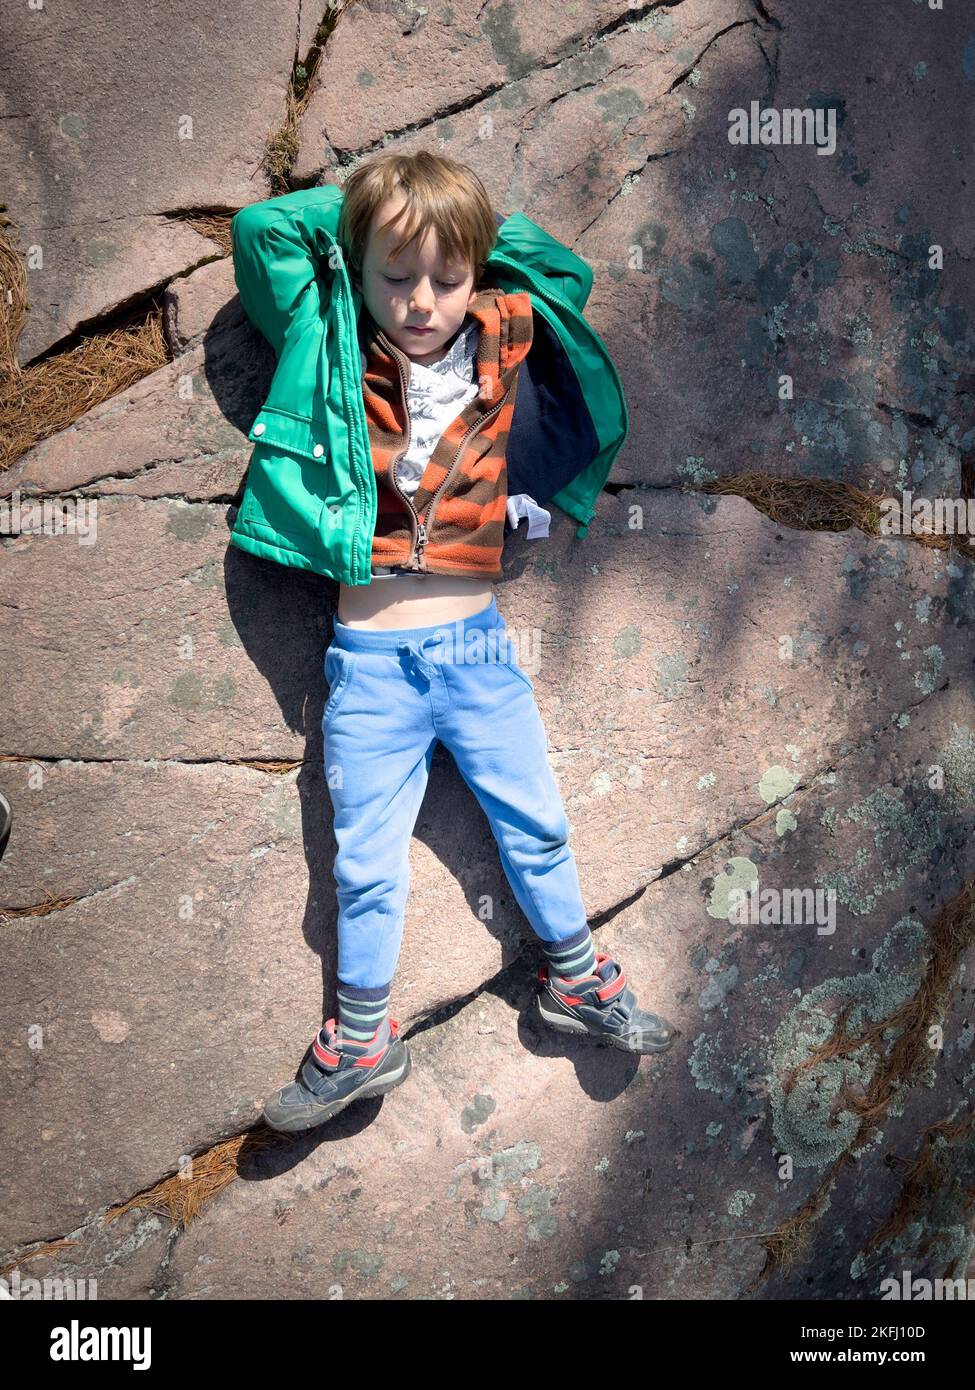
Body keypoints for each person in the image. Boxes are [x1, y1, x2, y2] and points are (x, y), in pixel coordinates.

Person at [230, 152, 677, 1135]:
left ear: (477, 273)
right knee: (361, 860)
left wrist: (463, 226)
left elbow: (559, 271)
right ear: (360, 269)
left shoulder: (503, 334)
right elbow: (261, 232)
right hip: (370, 667)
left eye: (445, 276)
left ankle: (576, 978)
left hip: (474, 649)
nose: (422, 300)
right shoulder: (332, 336)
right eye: (397, 275)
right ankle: (359, 1038)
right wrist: (371, 213)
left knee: (537, 818)